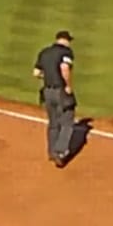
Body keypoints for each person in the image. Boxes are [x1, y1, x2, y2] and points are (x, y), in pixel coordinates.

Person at [32, 30, 77, 168]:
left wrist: (48, 77)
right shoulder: (66, 52)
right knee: (68, 121)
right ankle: (60, 151)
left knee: (53, 123)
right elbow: (64, 68)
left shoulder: (44, 52)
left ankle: (52, 152)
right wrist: (68, 86)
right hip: (60, 91)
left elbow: (36, 73)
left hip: (47, 92)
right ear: (66, 40)